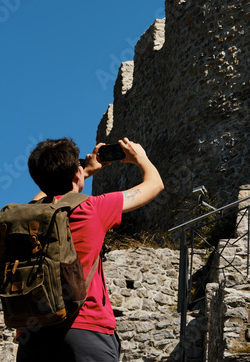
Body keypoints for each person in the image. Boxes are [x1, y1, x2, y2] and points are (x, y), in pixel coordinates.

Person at [15, 136, 164, 362]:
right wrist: (140, 157)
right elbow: (154, 184)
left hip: (33, 335)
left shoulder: (26, 217)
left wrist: (81, 172)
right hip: (85, 329)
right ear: (75, 175)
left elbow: (46, 194)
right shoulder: (92, 208)